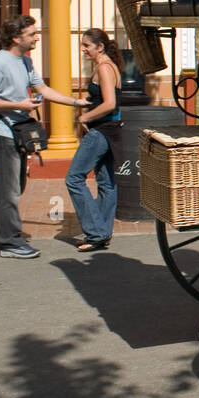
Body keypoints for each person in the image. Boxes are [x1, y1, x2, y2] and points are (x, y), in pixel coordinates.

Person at [0, 15, 88, 259]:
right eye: (32, 34)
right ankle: (9, 243)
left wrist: (77, 102)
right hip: (1, 133)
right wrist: (18, 104)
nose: (37, 37)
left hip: (16, 133)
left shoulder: (25, 61)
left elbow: (43, 89)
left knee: (15, 187)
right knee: (9, 190)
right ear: (16, 38)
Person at [66, 29, 123, 252]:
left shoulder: (104, 67)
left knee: (74, 178)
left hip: (101, 131)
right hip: (111, 130)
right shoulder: (108, 66)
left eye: (86, 45)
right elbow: (103, 98)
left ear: (99, 47)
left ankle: (96, 232)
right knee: (106, 183)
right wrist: (84, 102)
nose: (83, 49)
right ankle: (102, 233)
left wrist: (84, 117)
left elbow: (109, 104)